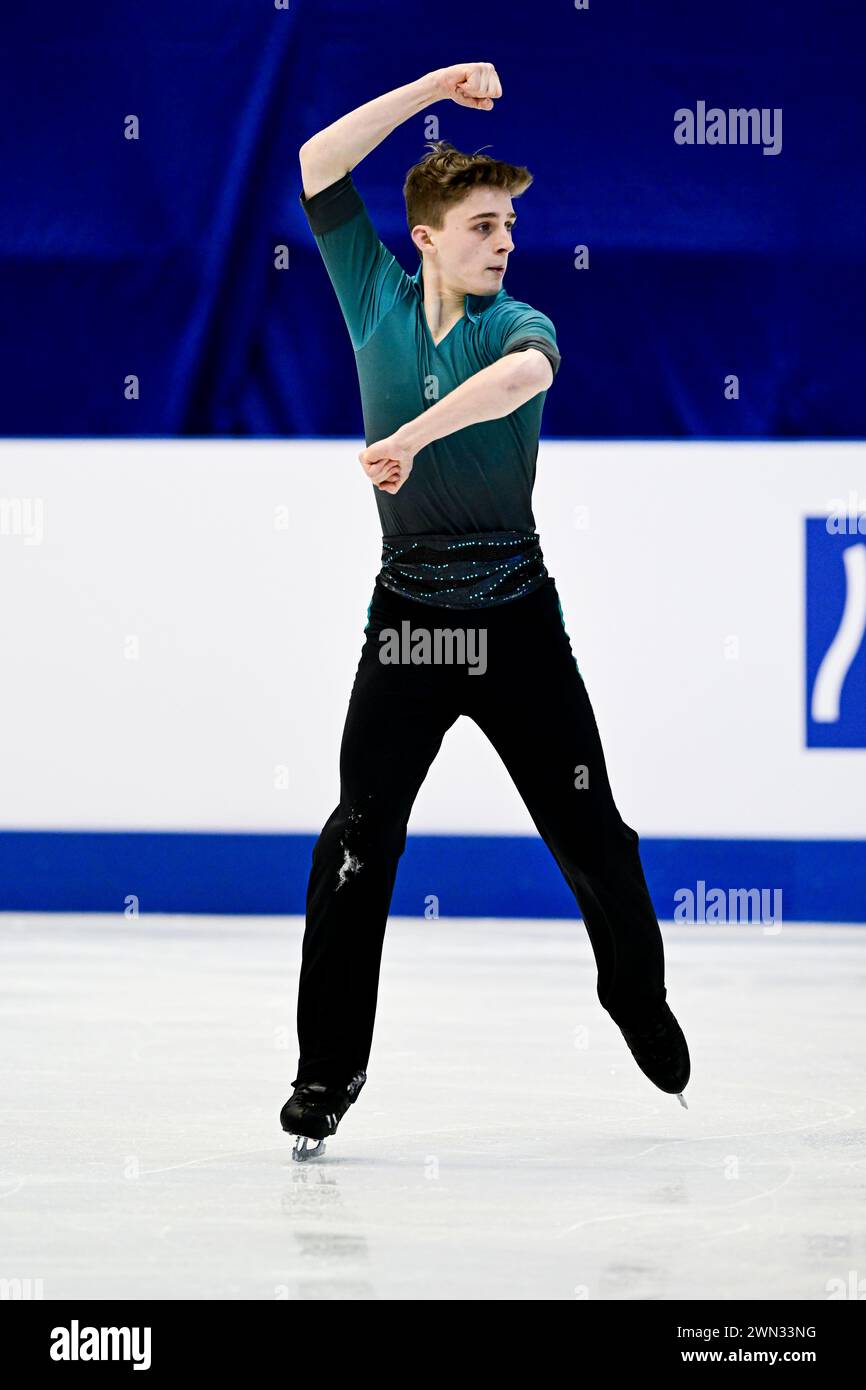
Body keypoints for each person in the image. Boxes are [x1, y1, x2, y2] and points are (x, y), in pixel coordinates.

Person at [281, 63, 690, 1159]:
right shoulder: (366, 287)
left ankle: (634, 992)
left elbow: (516, 384)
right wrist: (428, 87)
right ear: (422, 237)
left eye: (508, 223)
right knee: (357, 841)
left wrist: (410, 438)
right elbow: (319, 162)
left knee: (590, 832)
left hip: (513, 619)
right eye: (479, 225)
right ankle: (325, 1074)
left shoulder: (519, 321)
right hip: (410, 623)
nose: (502, 241)